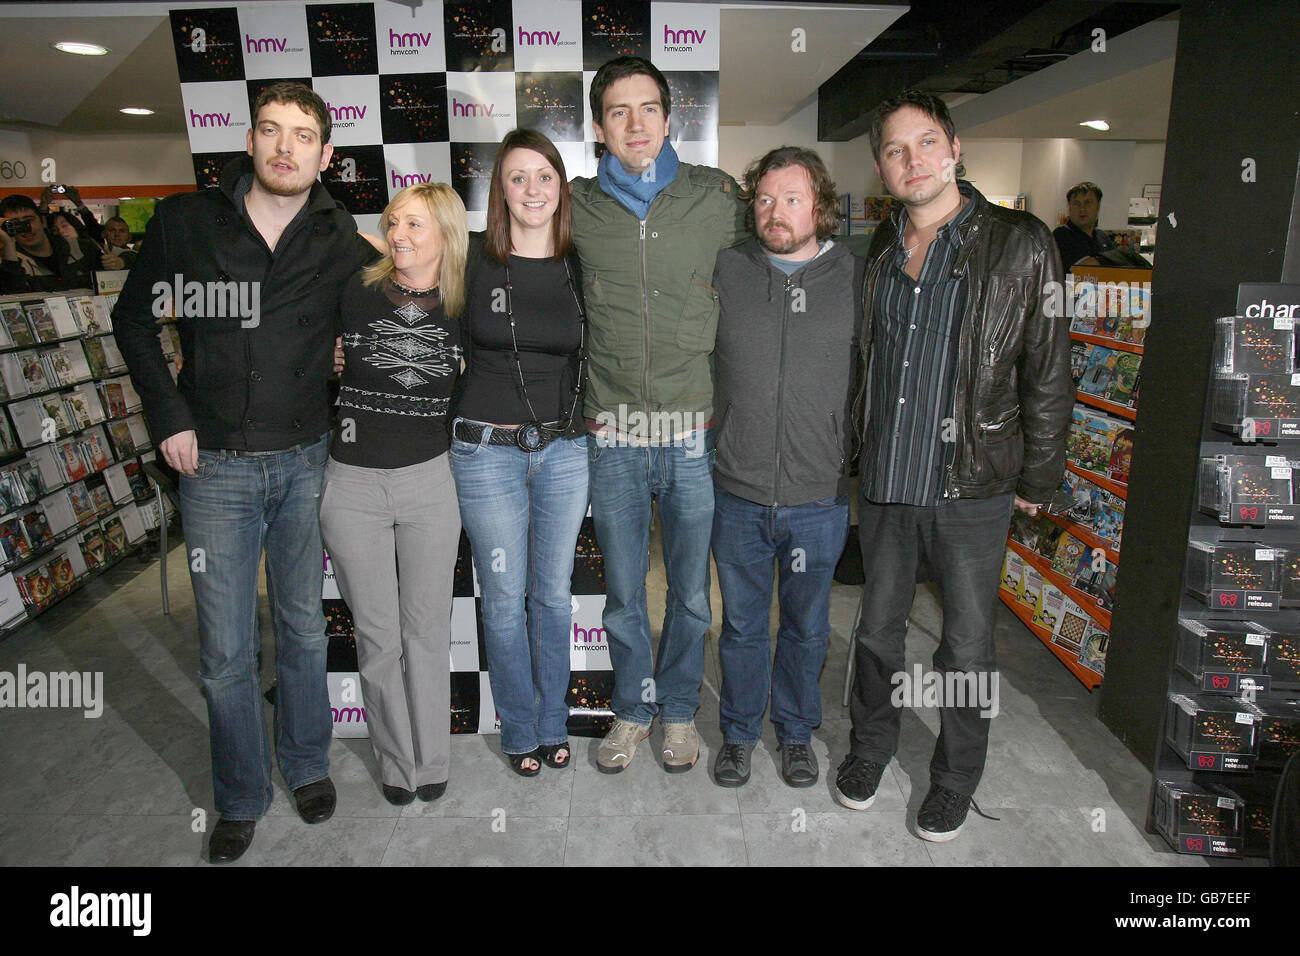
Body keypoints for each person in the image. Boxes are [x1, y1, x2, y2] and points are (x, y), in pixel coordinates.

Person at [111, 81, 379, 863]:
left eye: (302, 135)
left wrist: (347, 355)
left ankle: (304, 766)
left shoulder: (341, 238)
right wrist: (170, 416)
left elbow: (390, 307)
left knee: (300, 628)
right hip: (214, 468)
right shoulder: (185, 221)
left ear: (326, 154)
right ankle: (238, 795)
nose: (285, 148)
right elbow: (132, 319)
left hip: (305, 462)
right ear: (251, 140)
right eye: (271, 131)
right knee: (226, 651)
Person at [833, 90, 1071, 841]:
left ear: (956, 147)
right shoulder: (879, 245)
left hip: (973, 483)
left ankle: (956, 779)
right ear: (881, 166)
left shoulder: (1021, 242)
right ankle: (870, 747)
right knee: (877, 632)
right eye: (897, 150)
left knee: (966, 645)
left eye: (927, 142)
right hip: (888, 481)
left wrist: (1040, 475)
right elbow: (865, 362)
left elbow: (1050, 369)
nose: (914, 161)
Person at [570, 56, 746, 774]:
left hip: (690, 432)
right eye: (619, 112)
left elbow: (768, 283)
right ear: (599, 127)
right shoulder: (575, 206)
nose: (636, 124)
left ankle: (679, 712)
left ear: (670, 119)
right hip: (614, 433)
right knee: (621, 593)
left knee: (690, 594)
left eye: (648, 109)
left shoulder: (718, 198)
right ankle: (632, 712)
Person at [709, 146, 862, 790]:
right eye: (765, 199)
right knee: (742, 626)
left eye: (792, 198)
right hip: (737, 489)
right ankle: (740, 733)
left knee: (806, 627)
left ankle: (796, 733)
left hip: (818, 494)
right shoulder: (728, 267)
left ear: (820, 206)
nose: (776, 211)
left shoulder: (856, 277)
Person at [320, 182, 466, 805]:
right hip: (351, 484)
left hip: (430, 482)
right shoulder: (353, 290)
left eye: (414, 225)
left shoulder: (467, 305)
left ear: (446, 235)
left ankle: (433, 762)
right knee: (377, 636)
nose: (398, 235)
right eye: (393, 222)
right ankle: (394, 762)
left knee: (427, 631)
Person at [448, 129, 587, 777]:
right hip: (485, 452)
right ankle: (520, 728)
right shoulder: (472, 260)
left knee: (553, 598)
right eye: (517, 177)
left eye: (544, 175)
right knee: (504, 598)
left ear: (561, 185)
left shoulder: (578, 262)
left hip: (563, 449)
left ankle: (554, 721)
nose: (533, 189)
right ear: (499, 191)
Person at [0, 193, 99, 293]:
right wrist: (9, 244)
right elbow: (12, 299)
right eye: (15, 224)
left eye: (28, 220)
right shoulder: (10, 262)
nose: (26, 229)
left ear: (43, 221)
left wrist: (113, 268)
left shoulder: (82, 248)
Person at [1052, 181, 1115, 269]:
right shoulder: (1060, 236)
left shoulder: (1103, 237)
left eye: (1088, 202)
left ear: (1098, 206)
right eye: (1076, 203)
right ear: (1069, 207)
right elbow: (1074, 270)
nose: (1082, 208)